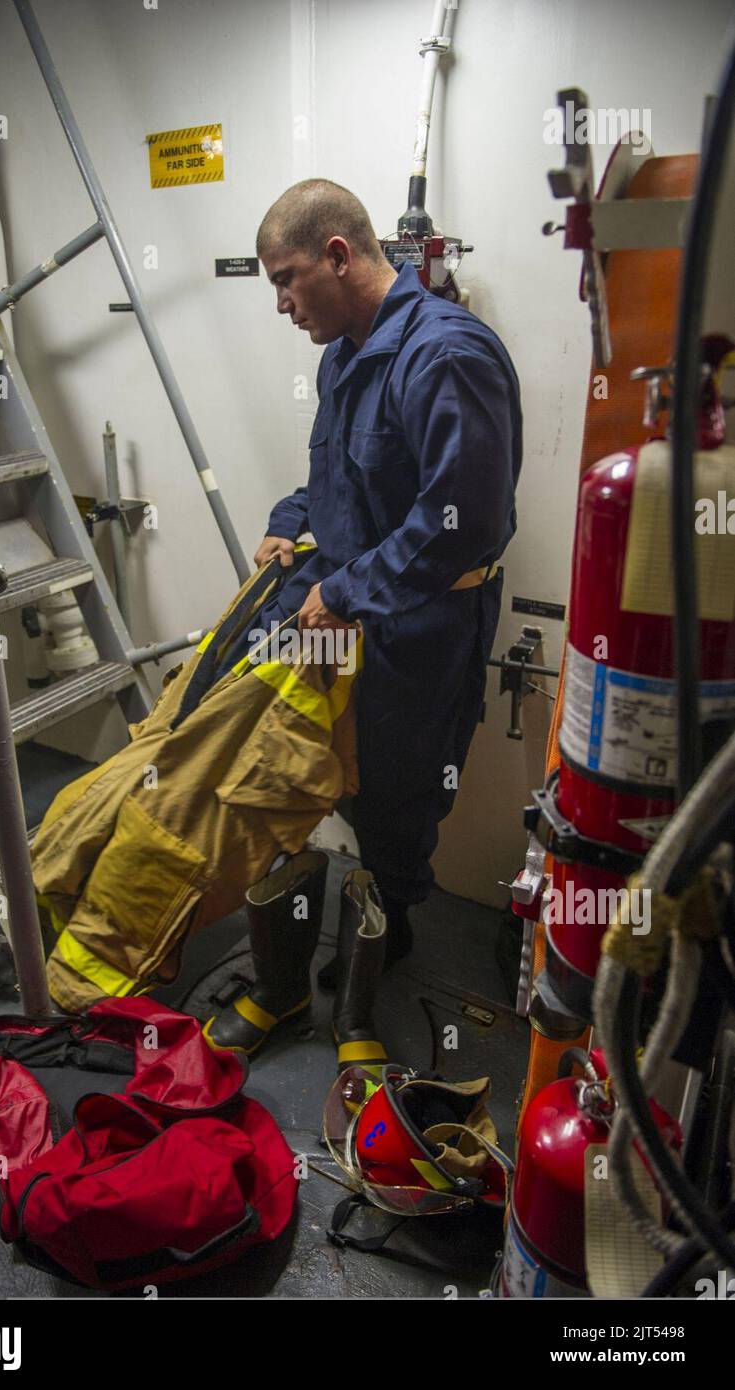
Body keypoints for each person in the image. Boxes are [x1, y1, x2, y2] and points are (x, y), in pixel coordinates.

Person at [254, 178, 522, 981]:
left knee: (399, 789)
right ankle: (343, 903)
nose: (280, 306)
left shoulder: (445, 354)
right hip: (343, 605)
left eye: (284, 280)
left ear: (336, 257)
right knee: (340, 774)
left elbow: (463, 521)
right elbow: (335, 472)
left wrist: (341, 592)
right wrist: (286, 519)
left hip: (417, 624)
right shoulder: (344, 352)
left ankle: (389, 933)